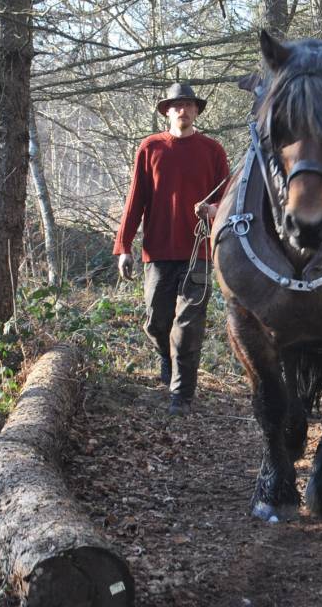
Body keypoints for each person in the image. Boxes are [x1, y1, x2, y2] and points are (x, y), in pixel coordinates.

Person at [114, 83, 229, 416]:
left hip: (199, 252)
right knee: (157, 321)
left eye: (189, 105)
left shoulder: (213, 151)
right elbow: (136, 199)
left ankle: (181, 395)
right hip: (159, 251)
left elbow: (229, 198)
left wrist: (212, 211)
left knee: (189, 325)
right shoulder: (151, 148)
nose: (183, 110)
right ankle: (167, 358)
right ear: (167, 111)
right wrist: (125, 247)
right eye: (176, 105)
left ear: (196, 111)